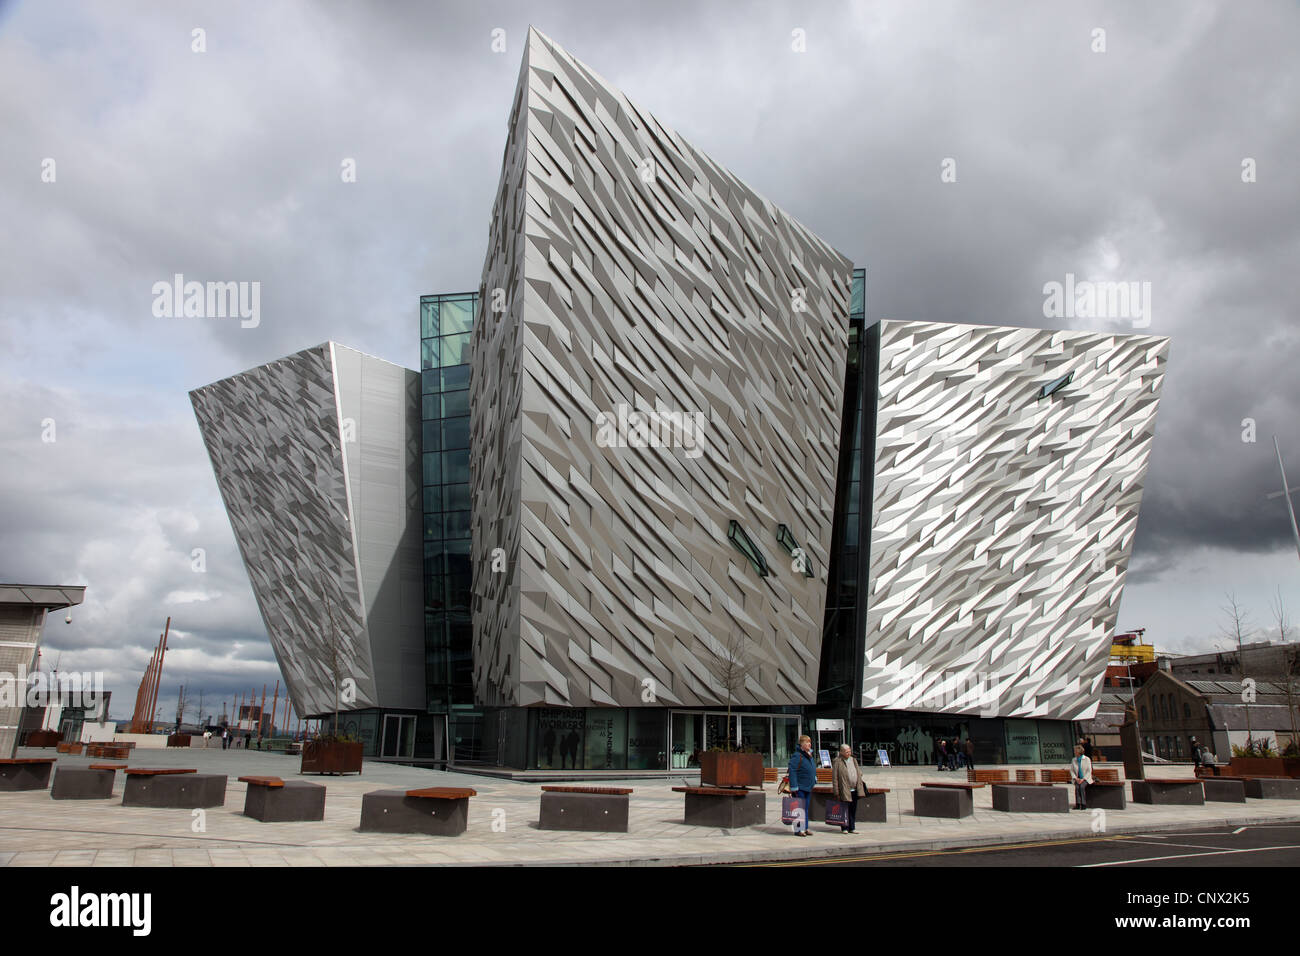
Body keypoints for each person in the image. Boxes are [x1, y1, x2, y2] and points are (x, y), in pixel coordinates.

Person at [831, 743, 868, 834]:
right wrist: (836, 791)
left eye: (849, 751)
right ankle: (844, 827)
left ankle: (852, 827)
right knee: (844, 809)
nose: (848, 753)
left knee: (853, 809)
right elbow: (835, 777)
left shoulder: (853, 760)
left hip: (854, 788)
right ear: (841, 752)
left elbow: (858, 771)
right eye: (846, 752)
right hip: (844, 789)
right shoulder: (837, 761)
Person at [786, 734, 818, 837]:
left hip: (808, 786)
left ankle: (805, 827)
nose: (809, 744)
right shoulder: (797, 755)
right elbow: (793, 770)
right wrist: (794, 786)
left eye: (809, 742)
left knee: (806, 808)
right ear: (801, 744)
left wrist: (814, 778)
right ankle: (798, 829)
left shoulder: (809, 755)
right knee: (799, 809)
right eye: (806, 742)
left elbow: (812, 768)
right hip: (800, 787)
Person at [1068, 743, 1093, 810]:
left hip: (1085, 778)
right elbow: (1072, 770)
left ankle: (1083, 804)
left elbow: (1089, 771)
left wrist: (1083, 779)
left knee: (1081, 787)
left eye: (1075, 751)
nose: (1074, 752)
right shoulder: (1074, 760)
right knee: (1077, 787)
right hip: (1077, 778)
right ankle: (1078, 804)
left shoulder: (1087, 759)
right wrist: (1076, 778)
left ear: (1079, 752)